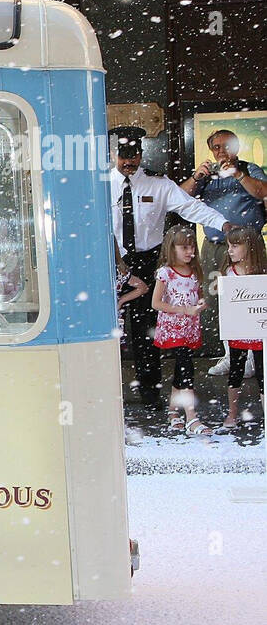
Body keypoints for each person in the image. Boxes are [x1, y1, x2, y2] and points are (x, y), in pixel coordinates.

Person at [110, 126, 228, 405]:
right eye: (124, 155)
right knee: (107, 328)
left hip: (147, 260)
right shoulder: (99, 182)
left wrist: (221, 222)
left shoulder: (158, 184)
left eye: (135, 155)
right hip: (110, 260)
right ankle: (105, 391)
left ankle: (150, 392)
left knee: (146, 329)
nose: (130, 161)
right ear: (114, 153)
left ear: (141, 154)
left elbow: (191, 207)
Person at [180, 129, 267, 375]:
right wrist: (197, 177)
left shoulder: (249, 169)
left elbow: (263, 192)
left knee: (251, 299)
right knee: (219, 301)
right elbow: (178, 197)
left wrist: (237, 174)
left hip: (249, 247)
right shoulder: (207, 176)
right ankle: (232, 355)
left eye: (226, 145)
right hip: (216, 247)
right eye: (216, 147)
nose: (221, 151)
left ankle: (254, 357)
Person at [151, 226, 210, 435]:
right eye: (184, 247)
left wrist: (200, 304)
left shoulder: (194, 272)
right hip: (173, 328)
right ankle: (191, 417)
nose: (190, 252)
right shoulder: (165, 273)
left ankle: (172, 412)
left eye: (192, 247)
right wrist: (184, 309)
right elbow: (156, 303)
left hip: (190, 328)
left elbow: (198, 295)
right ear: (171, 248)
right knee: (186, 367)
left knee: (181, 368)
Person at [218, 223, 267, 430]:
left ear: (250, 247)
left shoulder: (263, 272)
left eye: (235, 246)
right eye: (229, 246)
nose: (230, 250)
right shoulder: (228, 272)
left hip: (260, 331)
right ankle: (232, 413)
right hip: (238, 329)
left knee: (263, 374)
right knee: (236, 371)